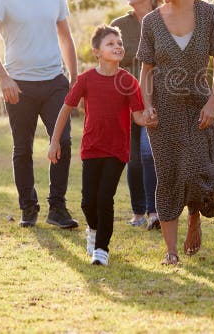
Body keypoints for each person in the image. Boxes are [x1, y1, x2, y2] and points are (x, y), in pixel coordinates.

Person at [137, 0, 214, 266]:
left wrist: (213, 102)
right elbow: (146, 69)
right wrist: (146, 105)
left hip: (198, 106)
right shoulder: (151, 21)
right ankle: (171, 251)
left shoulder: (209, 15)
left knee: (195, 170)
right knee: (167, 175)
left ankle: (194, 216)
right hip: (162, 111)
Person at [0, 0, 79, 229]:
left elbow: (66, 38)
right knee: (22, 148)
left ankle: (57, 209)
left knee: (61, 141)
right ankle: (28, 208)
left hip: (54, 83)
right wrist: (4, 78)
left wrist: (74, 80)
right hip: (19, 86)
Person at [47, 25, 155, 266]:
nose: (117, 46)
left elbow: (137, 117)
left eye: (119, 43)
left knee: (105, 197)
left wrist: (149, 117)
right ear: (96, 51)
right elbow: (66, 108)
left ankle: (101, 250)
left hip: (117, 150)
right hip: (92, 148)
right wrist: (55, 141)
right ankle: (93, 230)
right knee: (88, 201)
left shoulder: (128, 80)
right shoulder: (86, 79)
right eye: (110, 43)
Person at [110, 0, 162, 231]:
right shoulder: (119, 25)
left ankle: (155, 211)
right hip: (125, 99)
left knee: (149, 153)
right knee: (133, 157)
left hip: (155, 98)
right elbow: (110, 58)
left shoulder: (165, 19)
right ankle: (138, 211)